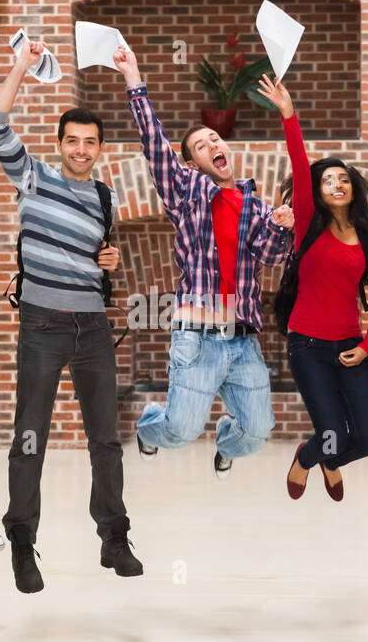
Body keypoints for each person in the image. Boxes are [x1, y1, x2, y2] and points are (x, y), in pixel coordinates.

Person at [0, 39, 141, 593]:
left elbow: (100, 254)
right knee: (31, 437)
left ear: (100, 148)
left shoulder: (103, 196)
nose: (80, 149)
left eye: (90, 142)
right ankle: (23, 543)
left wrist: (111, 259)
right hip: (43, 326)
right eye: (71, 141)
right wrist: (22, 65)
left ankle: (114, 537)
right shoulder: (34, 178)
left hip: (93, 327)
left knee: (106, 439)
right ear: (59, 144)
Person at [111, 44, 294, 478]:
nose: (212, 143)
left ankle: (226, 441)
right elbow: (155, 145)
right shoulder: (186, 191)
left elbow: (268, 256)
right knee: (179, 431)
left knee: (256, 432)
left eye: (215, 138)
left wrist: (282, 225)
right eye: (200, 144)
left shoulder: (255, 203)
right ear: (192, 162)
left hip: (243, 339)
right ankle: (149, 428)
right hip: (197, 336)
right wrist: (133, 79)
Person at [258, 76, 368, 501]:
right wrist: (288, 113)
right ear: (317, 190)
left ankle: (325, 459)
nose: (337, 183)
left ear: (353, 189)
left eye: (344, 179)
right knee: (332, 432)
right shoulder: (307, 227)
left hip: (351, 346)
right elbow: (299, 162)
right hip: (308, 346)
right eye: (328, 179)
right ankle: (310, 454)